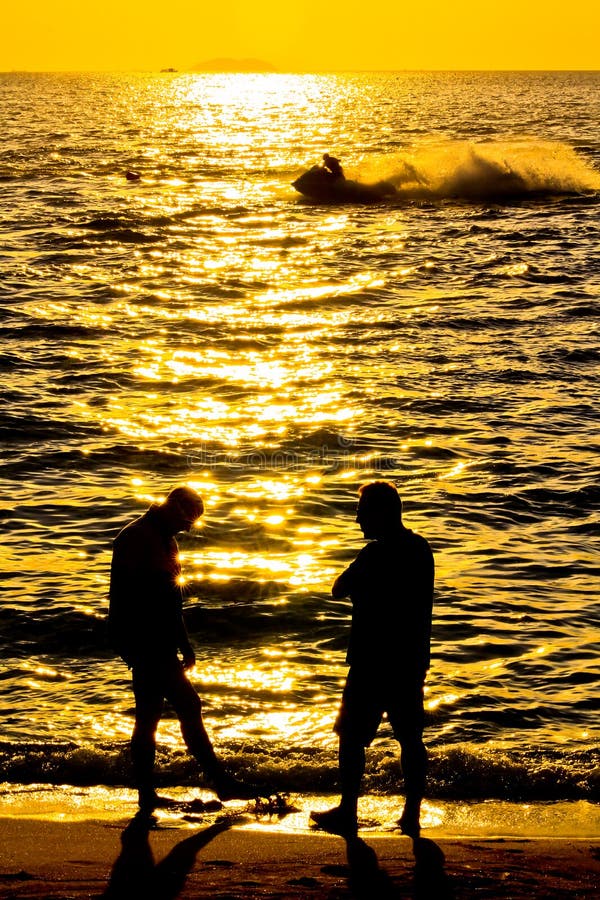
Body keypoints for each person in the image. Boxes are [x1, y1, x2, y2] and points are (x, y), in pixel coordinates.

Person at [109, 485, 257, 811]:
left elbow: (171, 600)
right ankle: (221, 783)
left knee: (149, 716)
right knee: (187, 705)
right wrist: (132, 643)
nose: (189, 528)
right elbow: (129, 598)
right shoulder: (135, 537)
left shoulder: (165, 539)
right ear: (173, 505)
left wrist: (184, 644)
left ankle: (148, 794)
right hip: (145, 639)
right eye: (188, 520)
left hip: (158, 640)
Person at [311, 481, 434, 837]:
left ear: (381, 513)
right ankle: (411, 814)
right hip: (410, 658)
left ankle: (348, 809)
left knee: (351, 736)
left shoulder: (375, 554)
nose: (357, 520)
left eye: (362, 512)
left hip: (371, 660)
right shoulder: (420, 549)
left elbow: (338, 588)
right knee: (410, 738)